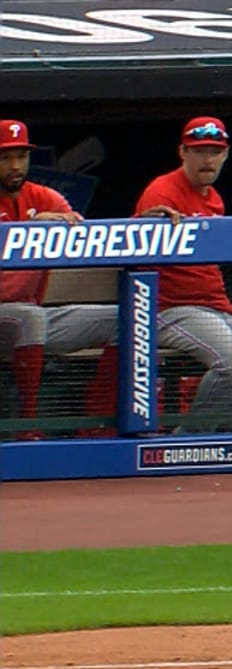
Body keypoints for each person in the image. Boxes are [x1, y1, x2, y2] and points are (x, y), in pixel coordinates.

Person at [133, 116, 232, 432]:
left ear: (225, 155)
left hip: (215, 308)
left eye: (214, 151)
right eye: (198, 151)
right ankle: (187, 439)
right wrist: (142, 222)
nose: (207, 159)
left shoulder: (214, 199)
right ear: (182, 152)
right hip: (170, 308)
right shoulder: (162, 191)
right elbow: (135, 251)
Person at [0, 120, 117, 439]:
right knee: (30, 317)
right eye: (5, 158)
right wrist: (30, 226)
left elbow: (84, 237)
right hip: (11, 316)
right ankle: (27, 427)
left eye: (21, 157)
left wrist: (64, 227)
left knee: (126, 320)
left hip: (30, 320)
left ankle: (98, 424)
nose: (15, 166)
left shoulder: (44, 197)